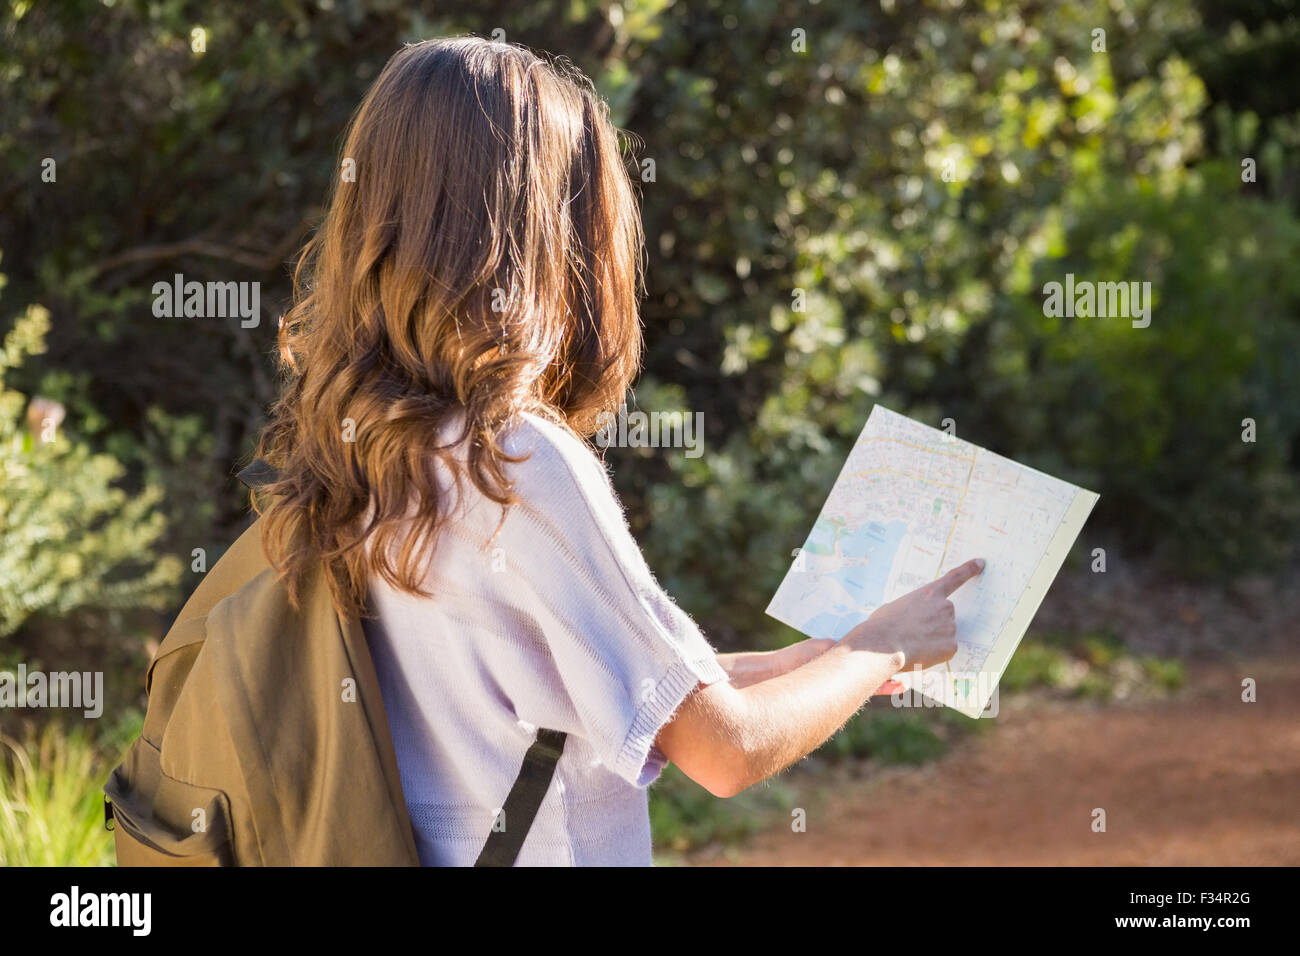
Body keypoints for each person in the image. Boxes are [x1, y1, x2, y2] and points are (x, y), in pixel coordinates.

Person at [251, 35, 983, 865]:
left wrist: (804, 662)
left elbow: (594, 691)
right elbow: (726, 751)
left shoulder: (358, 450)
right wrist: (878, 645)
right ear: (543, 235)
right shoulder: (515, 460)